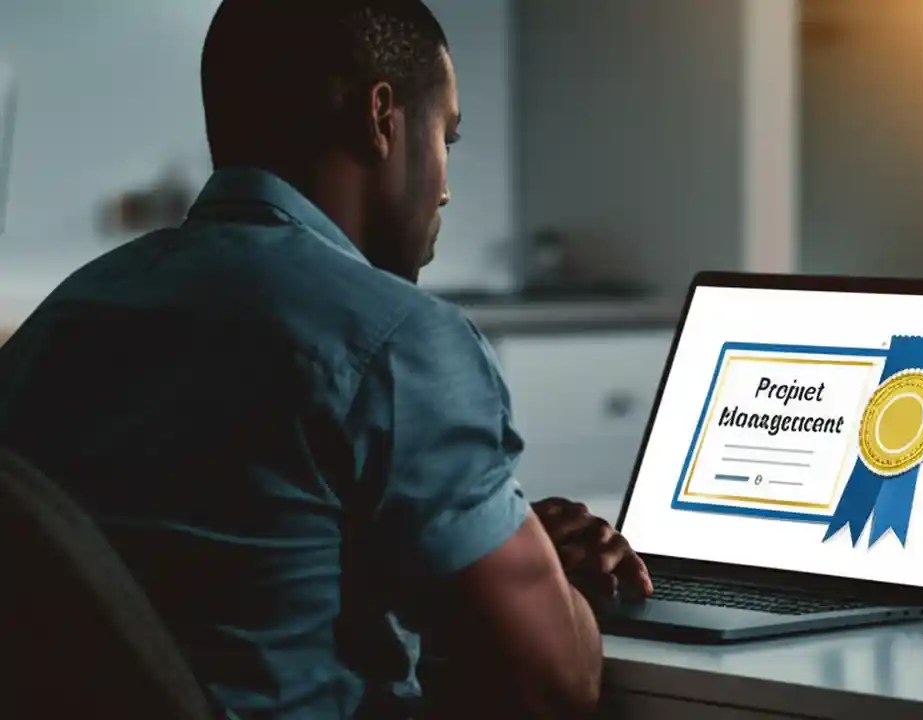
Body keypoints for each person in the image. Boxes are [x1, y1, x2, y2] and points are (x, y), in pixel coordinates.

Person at [0, 1, 651, 717]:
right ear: (382, 120)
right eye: (446, 137)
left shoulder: (64, 321)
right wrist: (567, 593)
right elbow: (553, 686)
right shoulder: (400, 341)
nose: (444, 186)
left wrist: (493, 555)